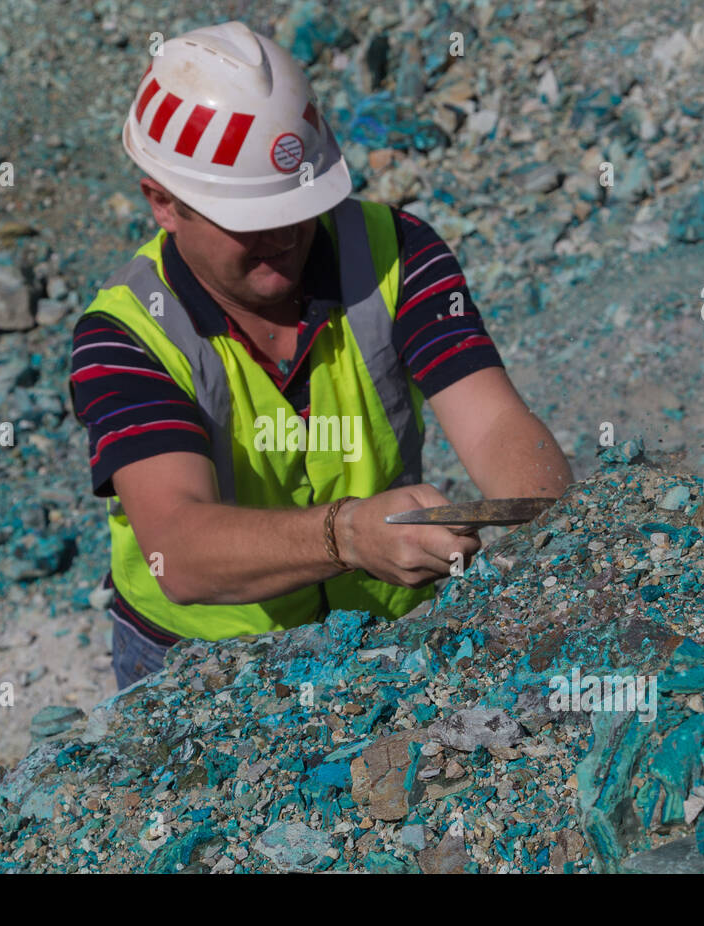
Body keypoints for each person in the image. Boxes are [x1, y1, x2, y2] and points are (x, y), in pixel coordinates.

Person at [68, 21, 573, 689]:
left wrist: (565, 542)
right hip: (203, 668)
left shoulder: (397, 252)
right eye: (250, 219)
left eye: (298, 204)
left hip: (387, 629)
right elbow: (177, 549)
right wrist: (350, 536)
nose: (283, 236)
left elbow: (491, 422)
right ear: (163, 203)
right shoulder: (125, 334)